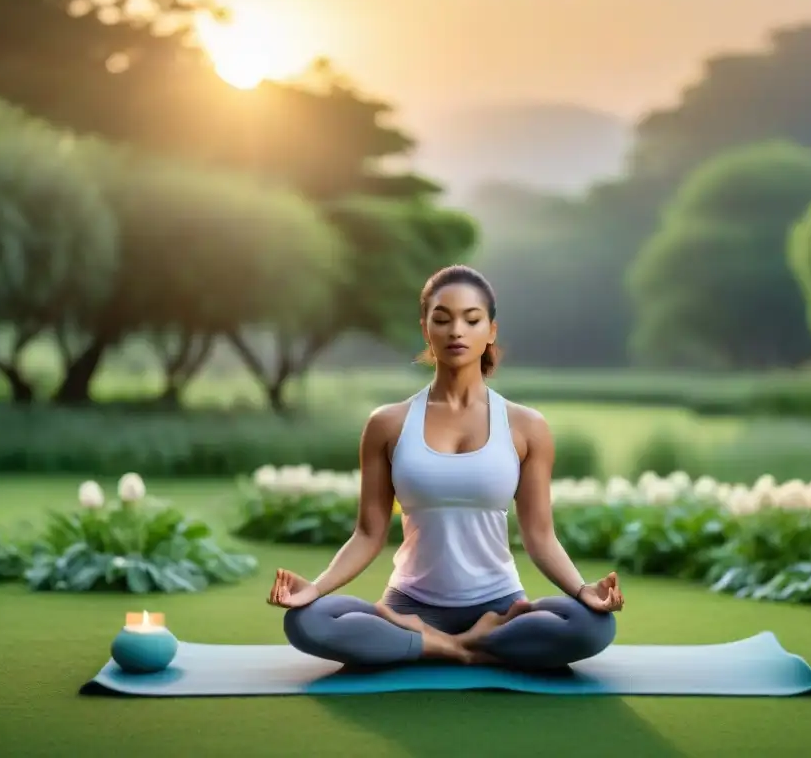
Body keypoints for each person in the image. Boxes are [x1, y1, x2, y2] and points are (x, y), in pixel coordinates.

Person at [267, 265, 624, 670]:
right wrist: (314, 589)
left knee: (594, 627)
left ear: (490, 330)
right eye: (442, 319)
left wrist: (583, 590)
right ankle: (461, 645)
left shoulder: (527, 426)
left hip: (499, 603)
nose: (456, 330)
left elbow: (540, 535)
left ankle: (445, 641)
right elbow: (368, 533)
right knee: (305, 622)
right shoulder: (388, 424)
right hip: (410, 606)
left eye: (471, 320)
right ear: (426, 329)